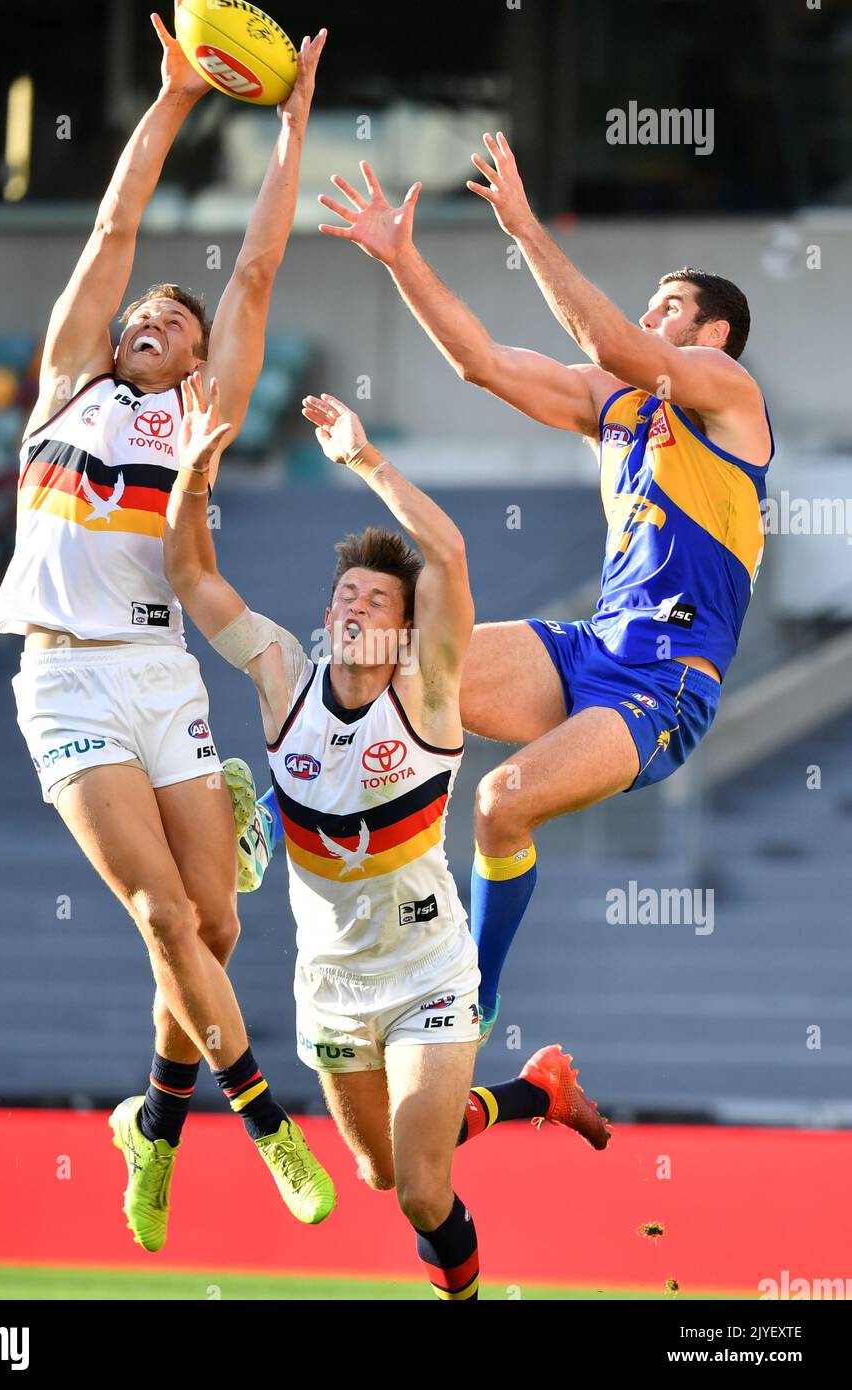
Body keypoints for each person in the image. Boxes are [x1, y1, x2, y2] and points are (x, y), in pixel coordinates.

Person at [0, 16, 335, 1251]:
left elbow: (252, 271)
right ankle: (263, 1123)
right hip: (66, 685)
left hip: (159, 670)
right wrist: (178, 96)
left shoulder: (205, 408)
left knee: (218, 927)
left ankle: (150, 1118)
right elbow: (113, 227)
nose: (150, 315)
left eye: (170, 321)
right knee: (163, 920)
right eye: (141, 313)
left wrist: (292, 124)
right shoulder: (68, 387)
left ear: (195, 355)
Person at [313, 141, 774, 1041]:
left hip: (665, 683)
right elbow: (480, 361)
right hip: (593, 648)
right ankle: (297, 820)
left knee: (500, 803)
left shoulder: (728, 390)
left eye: (669, 308)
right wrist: (403, 257)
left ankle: (474, 1000)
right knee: (392, 664)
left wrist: (523, 227)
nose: (650, 317)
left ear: (712, 333)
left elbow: (609, 342)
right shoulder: (622, 410)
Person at [165, 379, 610, 1301]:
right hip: (331, 985)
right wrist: (192, 477)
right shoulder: (285, 674)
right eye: (344, 596)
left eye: (374, 598)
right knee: (378, 1172)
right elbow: (193, 580)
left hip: (429, 977)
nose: (353, 607)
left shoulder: (427, 691)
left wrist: (364, 460)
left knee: (419, 1189)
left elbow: (445, 550)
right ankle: (537, 1093)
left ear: (407, 629)